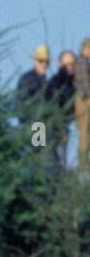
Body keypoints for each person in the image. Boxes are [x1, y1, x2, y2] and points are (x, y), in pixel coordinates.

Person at [49, 50, 77, 166]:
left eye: (72, 64)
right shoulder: (56, 83)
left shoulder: (73, 84)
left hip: (62, 127)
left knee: (60, 162)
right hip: (41, 126)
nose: (69, 67)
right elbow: (55, 104)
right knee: (41, 156)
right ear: (59, 64)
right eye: (66, 64)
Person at [16, 44, 50, 123]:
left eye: (47, 62)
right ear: (34, 61)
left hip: (44, 126)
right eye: (41, 61)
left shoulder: (47, 83)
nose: (44, 64)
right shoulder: (27, 79)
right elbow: (22, 105)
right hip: (32, 125)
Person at [76, 38, 90, 170]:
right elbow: (83, 80)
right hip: (83, 99)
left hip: (84, 97)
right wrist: (88, 96)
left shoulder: (83, 61)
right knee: (84, 132)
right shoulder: (81, 61)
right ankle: (83, 163)